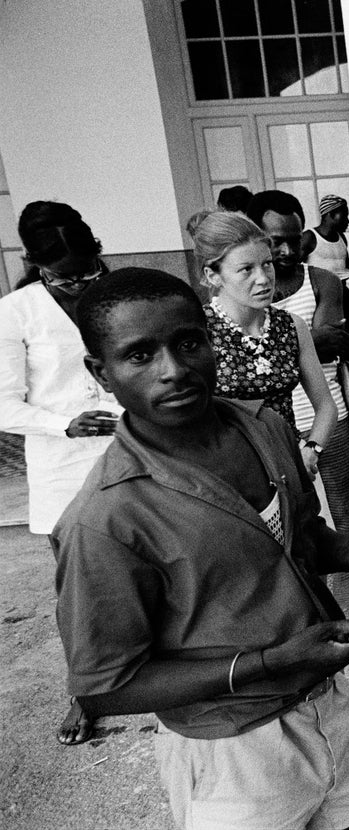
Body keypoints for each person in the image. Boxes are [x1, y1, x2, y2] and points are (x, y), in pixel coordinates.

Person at [52, 268, 349, 830]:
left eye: (188, 343)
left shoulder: (264, 427)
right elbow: (106, 686)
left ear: (210, 341)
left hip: (329, 710)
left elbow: (298, 535)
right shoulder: (105, 520)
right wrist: (271, 663)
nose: (173, 369)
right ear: (101, 373)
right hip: (231, 754)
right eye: (140, 355)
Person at [0, 201, 119, 745]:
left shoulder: (116, 292)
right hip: (61, 464)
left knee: (157, 564)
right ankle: (85, 691)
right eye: (66, 278)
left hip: (133, 449)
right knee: (79, 589)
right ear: (36, 264)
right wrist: (63, 424)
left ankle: (168, 671)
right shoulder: (16, 312)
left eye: (88, 272)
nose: (80, 286)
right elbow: (4, 404)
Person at [246, 190, 349, 626]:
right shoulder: (246, 289)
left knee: (345, 516)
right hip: (272, 428)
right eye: (274, 241)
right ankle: (307, 615)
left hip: (328, 415)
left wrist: (265, 347)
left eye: (292, 238)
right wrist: (305, 342)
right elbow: (310, 344)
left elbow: (332, 342)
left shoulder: (321, 280)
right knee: (287, 523)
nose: (285, 250)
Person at [188, 210, 337, 480]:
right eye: (246, 269)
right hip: (230, 476)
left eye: (267, 264)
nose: (263, 278)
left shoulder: (291, 326)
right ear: (213, 275)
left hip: (287, 469)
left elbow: (326, 405)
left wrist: (311, 450)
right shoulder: (198, 332)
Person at [304, 194, 349, 364]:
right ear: (330, 214)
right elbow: (295, 267)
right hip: (320, 300)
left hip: (343, 296)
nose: (348, 221)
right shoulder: (309, 237)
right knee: (327, 346)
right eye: (344, 215)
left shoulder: (341, 238)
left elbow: (344, 259)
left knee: (346, 346)